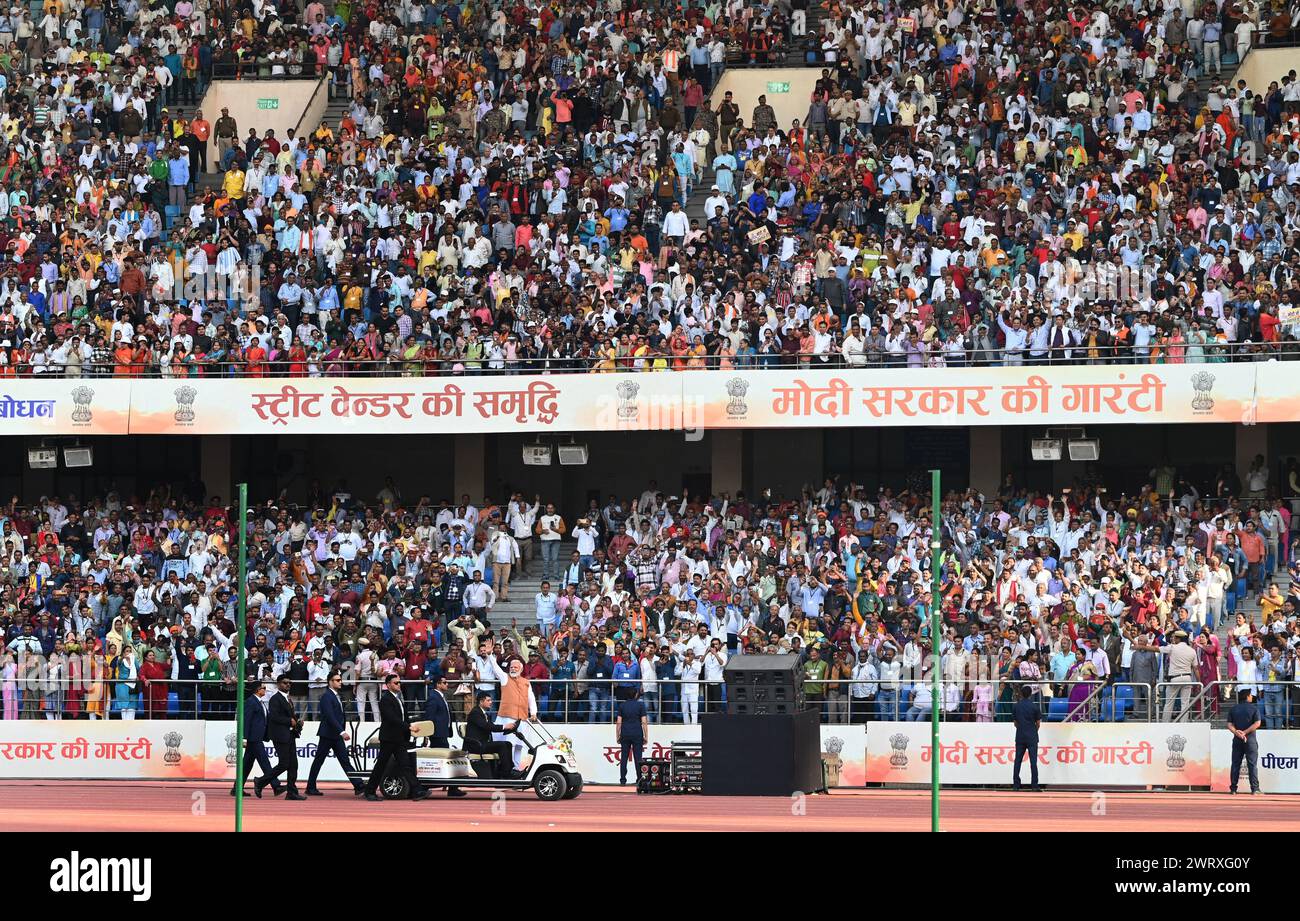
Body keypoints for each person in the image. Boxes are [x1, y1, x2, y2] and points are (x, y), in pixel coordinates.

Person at [363, 673, 430, 801]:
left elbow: (404, 717)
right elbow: (392, 718)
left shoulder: (398, 698)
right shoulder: (385, 699)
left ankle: (417, 790)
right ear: (388, 685)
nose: (399, 685)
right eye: (396, 683)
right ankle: (370, 791)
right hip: (389, 738)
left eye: (399, 682)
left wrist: (410, 728)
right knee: (381, 765)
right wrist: (409, 727)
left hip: (399, 738)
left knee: (405, 765)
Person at [306, 671, 365, 796]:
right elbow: (330, 716)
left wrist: (340, 731)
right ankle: (310, 787)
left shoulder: (336, 696)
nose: (340, 682)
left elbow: (337, 716)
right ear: (330, 682)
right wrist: (342, 731)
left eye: (340, 680)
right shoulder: (327, 696)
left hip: (335, 735)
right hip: (328, 734)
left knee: (344, 760)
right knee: (319, 760)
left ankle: (358, 785)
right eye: (337, 680)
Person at [260, 674, 306, 800]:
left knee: (293, 765)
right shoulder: (275, 699)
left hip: (290, 734)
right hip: (280, 735)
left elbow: (290, 716)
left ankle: (291, 792)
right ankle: (261, 781)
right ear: (279, 684)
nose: (288, 685)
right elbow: (274, 716)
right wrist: (289, 721)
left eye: (289, 683)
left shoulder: (287, 698)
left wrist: (297, 722)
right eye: (285, 683)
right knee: (284, 764)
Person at [233, 682, 279, 797]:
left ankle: (236, 788)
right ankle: (275, 785)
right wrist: (244, 738)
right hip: (253, 738)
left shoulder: (259, 702)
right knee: (265, 762)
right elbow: (245, 720)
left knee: (246, 764)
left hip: (257, 737)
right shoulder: (251, 702)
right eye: (263, 688)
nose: (265, 690)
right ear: (258, 690)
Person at [423, 675, 465, 797]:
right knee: (445, 760)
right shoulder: (433, 697)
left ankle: (450, 787)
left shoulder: (440, 697)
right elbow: (429, 718)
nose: (447, 684)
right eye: (445, 682)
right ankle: (450, 788)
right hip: (437, 735)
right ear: (438, 684)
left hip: (442, 733)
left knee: (442, 760)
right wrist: (427, 735)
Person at [463, 690, 518, 779]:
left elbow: (491, 726)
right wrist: (504, 727)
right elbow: (486, 726)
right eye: (488, 700)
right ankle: (506, 773)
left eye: (490, 700)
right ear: (481, 702)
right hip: (475, 745)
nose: (491, 702)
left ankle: (508, 770)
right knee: (501, 745)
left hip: (482, 743)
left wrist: (506, 728)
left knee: (508, 744)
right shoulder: (475, 713)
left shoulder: (484, 714)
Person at [1226, 689, 1262, 795]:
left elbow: (1229, 724)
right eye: (1250, 695)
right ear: (1247, 696)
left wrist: (1237, 733)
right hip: (1250, 740)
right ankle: (1255, 789)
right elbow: (1257, 723)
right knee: (1252, 764)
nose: (1252, 696)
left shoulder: (1233, 709)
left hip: (1237, 740)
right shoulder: (1254, 708)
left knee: (1236, 764)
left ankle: (1233, 789)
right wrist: (1245, 733)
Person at [1012, 684, 1042, 792]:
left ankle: (1016, 784)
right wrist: (1033, 730)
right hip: (1032, 736)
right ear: (1030, 694)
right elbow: (1038, 723)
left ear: (1021, 694)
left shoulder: (1016, 706)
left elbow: (1015, 723)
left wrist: (1021, 728)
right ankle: (1034, 785)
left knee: (1018, 761)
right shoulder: (1035, 707)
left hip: (1020, 735)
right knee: (1033, 761)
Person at [616, 687, 649, 785]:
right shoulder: (640, 705)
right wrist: (646, 736)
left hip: (625, 733)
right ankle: (639, 779)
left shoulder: (622, 706)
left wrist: (617, 735)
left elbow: (618, 723)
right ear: (636, 695)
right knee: (638, 758)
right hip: (637, 733)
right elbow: (644, 722)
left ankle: (622, 780)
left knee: (624, 758)